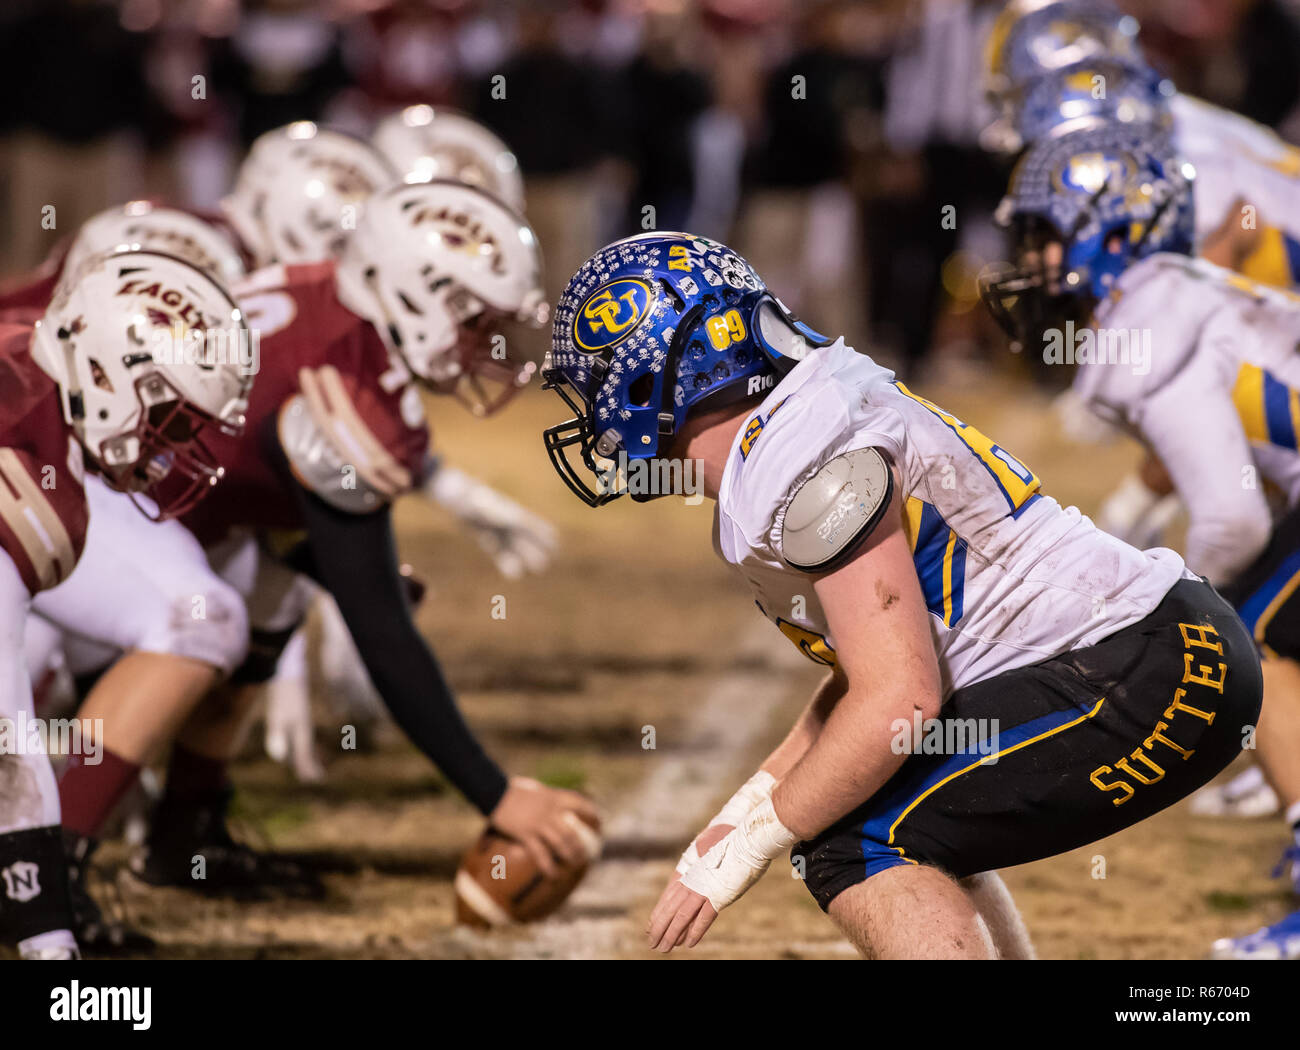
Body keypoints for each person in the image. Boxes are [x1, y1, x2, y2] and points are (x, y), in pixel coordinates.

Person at [540, 231, 1260, 958]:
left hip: (1142, 665)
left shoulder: (798, 457)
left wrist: (755, 844)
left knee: (854, 839)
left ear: (657, 369)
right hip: (1154, 651)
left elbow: (899, 702)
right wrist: (742, 809)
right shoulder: (792, 426)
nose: (593, 412)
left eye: (597, 381)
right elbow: (868, 676)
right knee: (890, 818)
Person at [983, 117, 1300, 959]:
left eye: (1046, 234)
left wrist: (1187, 611)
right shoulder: (1170, 289)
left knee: (1261, 645)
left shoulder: (1143, 333)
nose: (1032, 258)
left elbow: (1233, 516)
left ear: (1113, 231)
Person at [0, 248, 253, 958]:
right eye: (171, 419)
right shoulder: (26, 469)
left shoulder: (35, 370)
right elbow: (8, 744)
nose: (173, 450)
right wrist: (50, 947)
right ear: (110, 379)